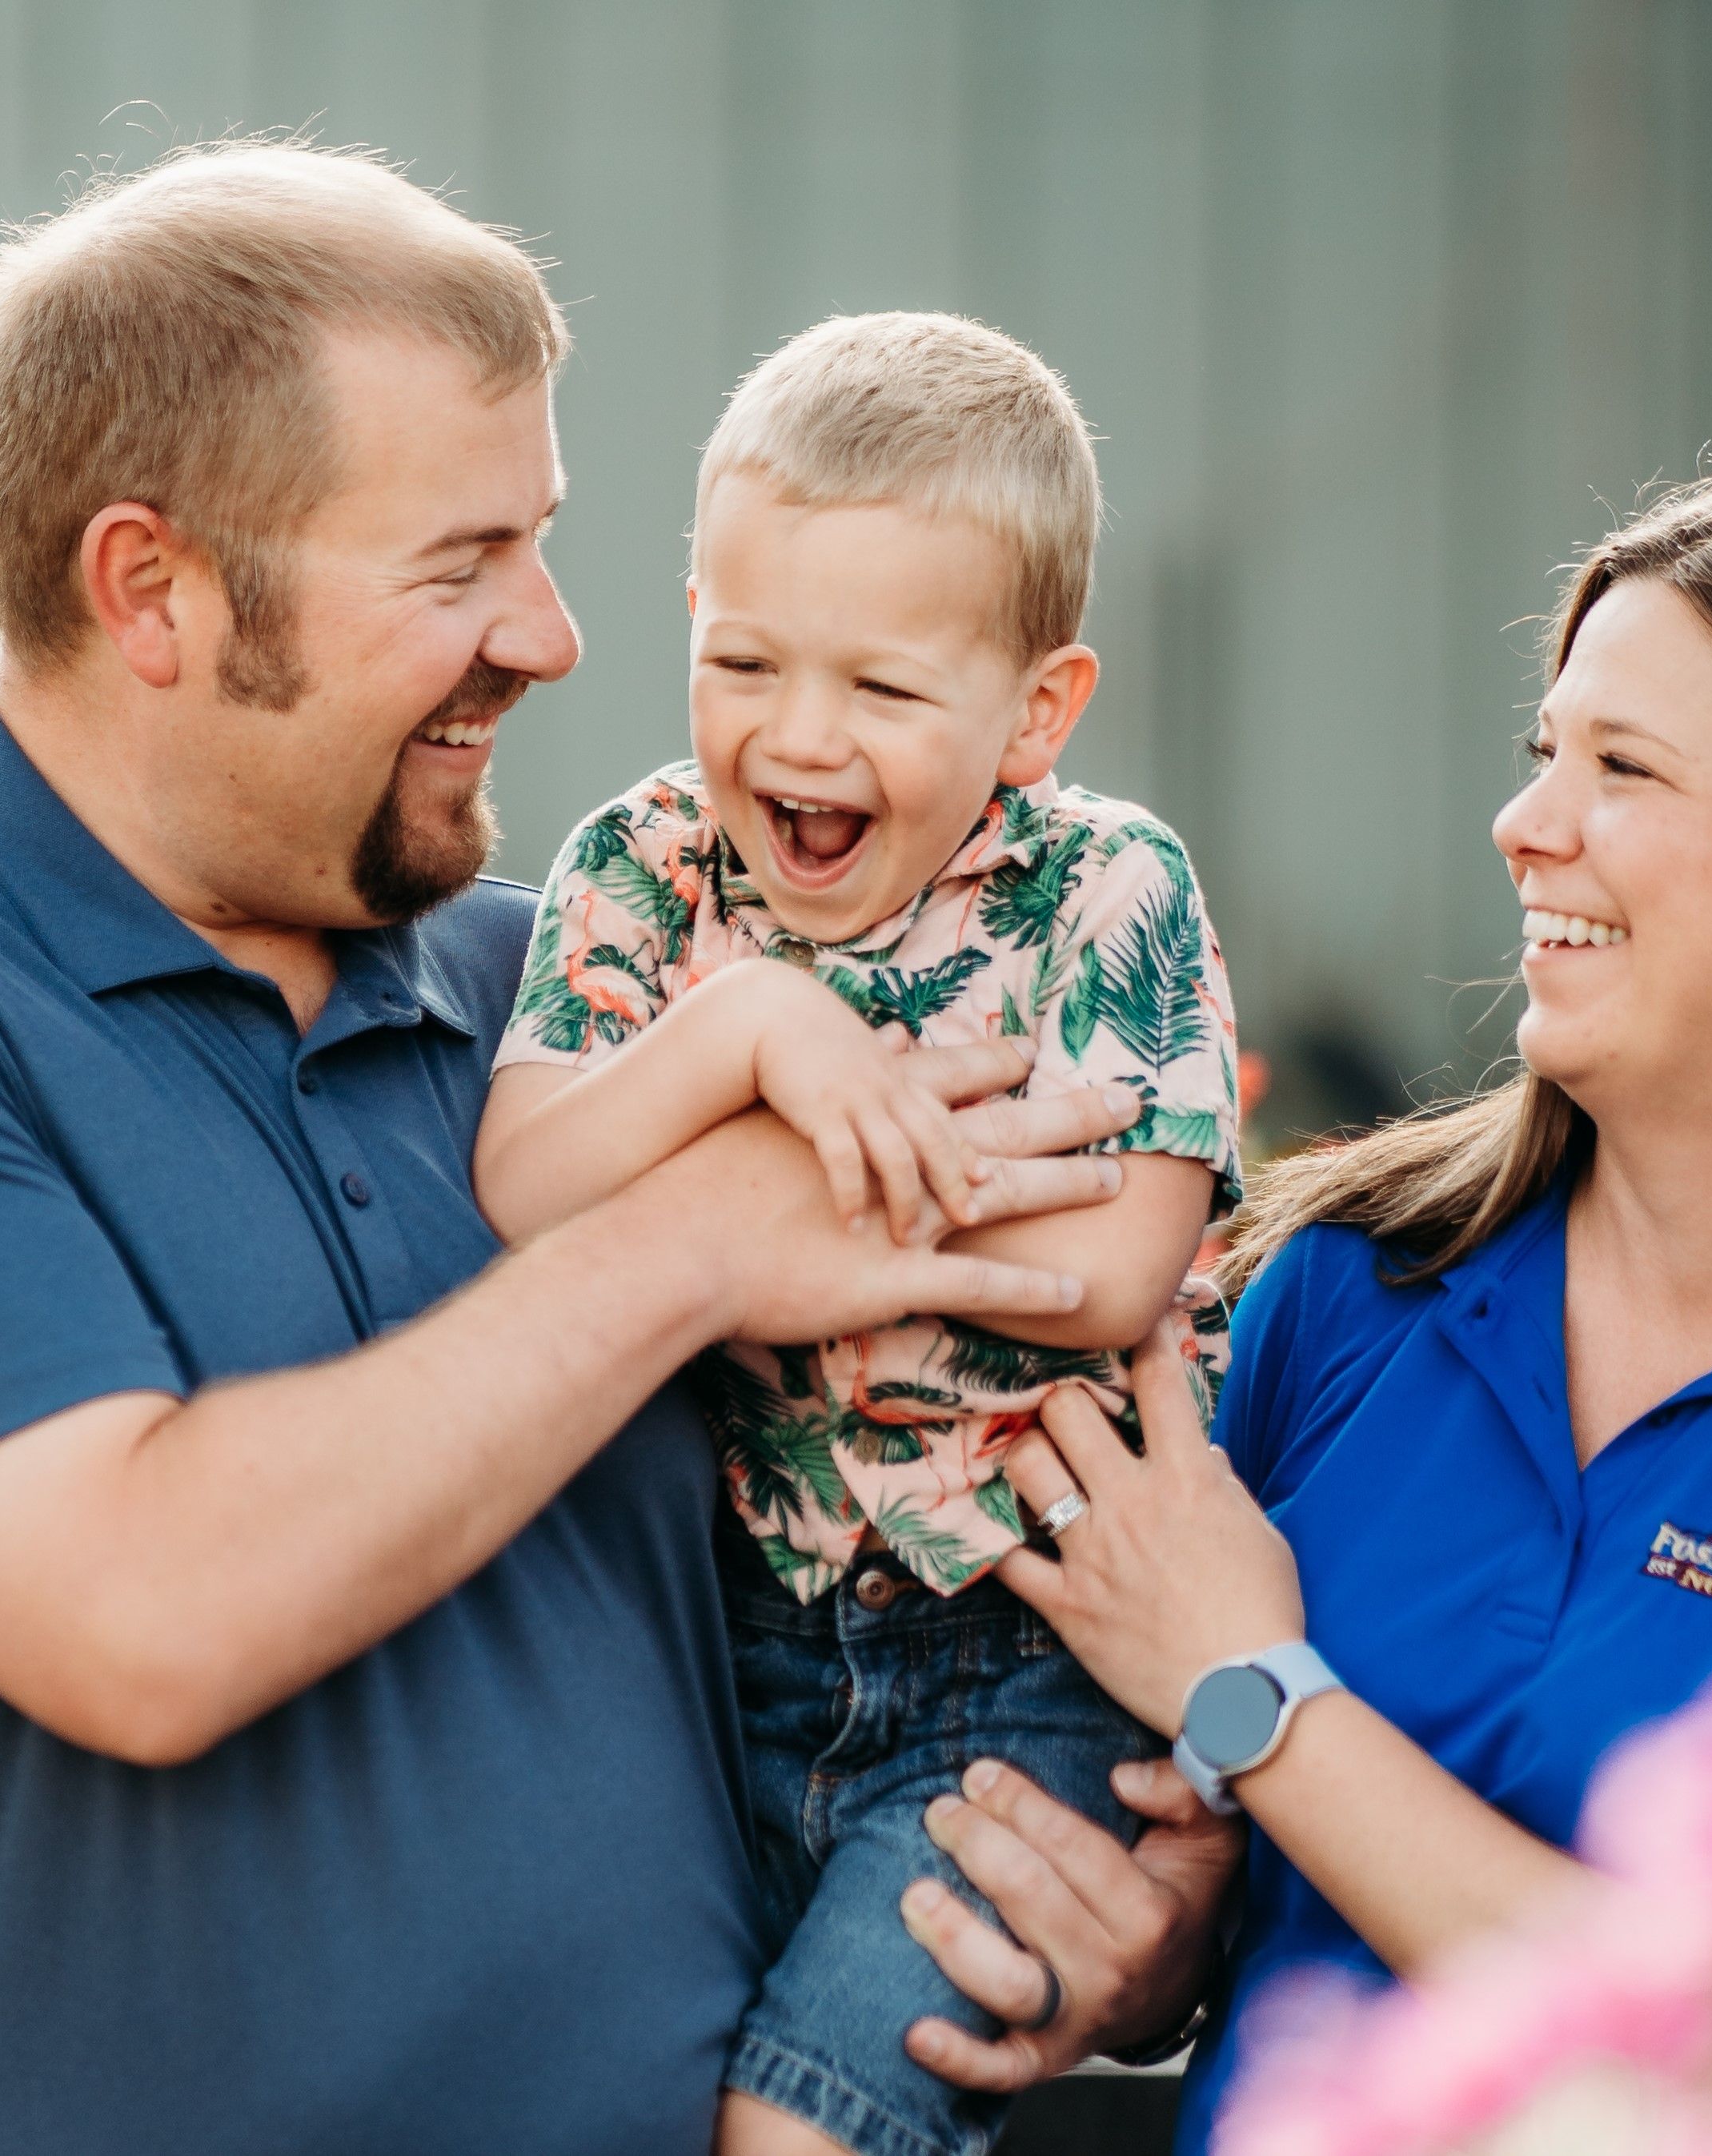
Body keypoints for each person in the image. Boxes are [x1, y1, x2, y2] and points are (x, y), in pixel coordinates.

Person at [0, 144, 1235, 2156]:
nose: (550, 638)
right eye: (460, 565)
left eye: (541, 546)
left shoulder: (569, 991)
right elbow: (144, 1615)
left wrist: (1107, 1914)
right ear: (155, 592)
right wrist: (695, 1245)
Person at [896, 450, 1712, 2150]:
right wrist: (1148, 1951)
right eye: (1543, 756)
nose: (1525, 825)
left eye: (1624, 769)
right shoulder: (1339, 1291)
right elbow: (1216, 1884)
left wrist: (1262, 1692)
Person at [471, 312, 1241, 2156]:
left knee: (808, 2126)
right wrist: (754, 1038)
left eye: (884, 693)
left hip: (1019, 1650)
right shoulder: (644, 867)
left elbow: (1112, 1271)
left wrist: (732, 1212)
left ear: (1036, 710)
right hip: (718, 1646)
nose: (796, 736)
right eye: (741, 659)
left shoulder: (1106, 891)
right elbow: (523, 1186)